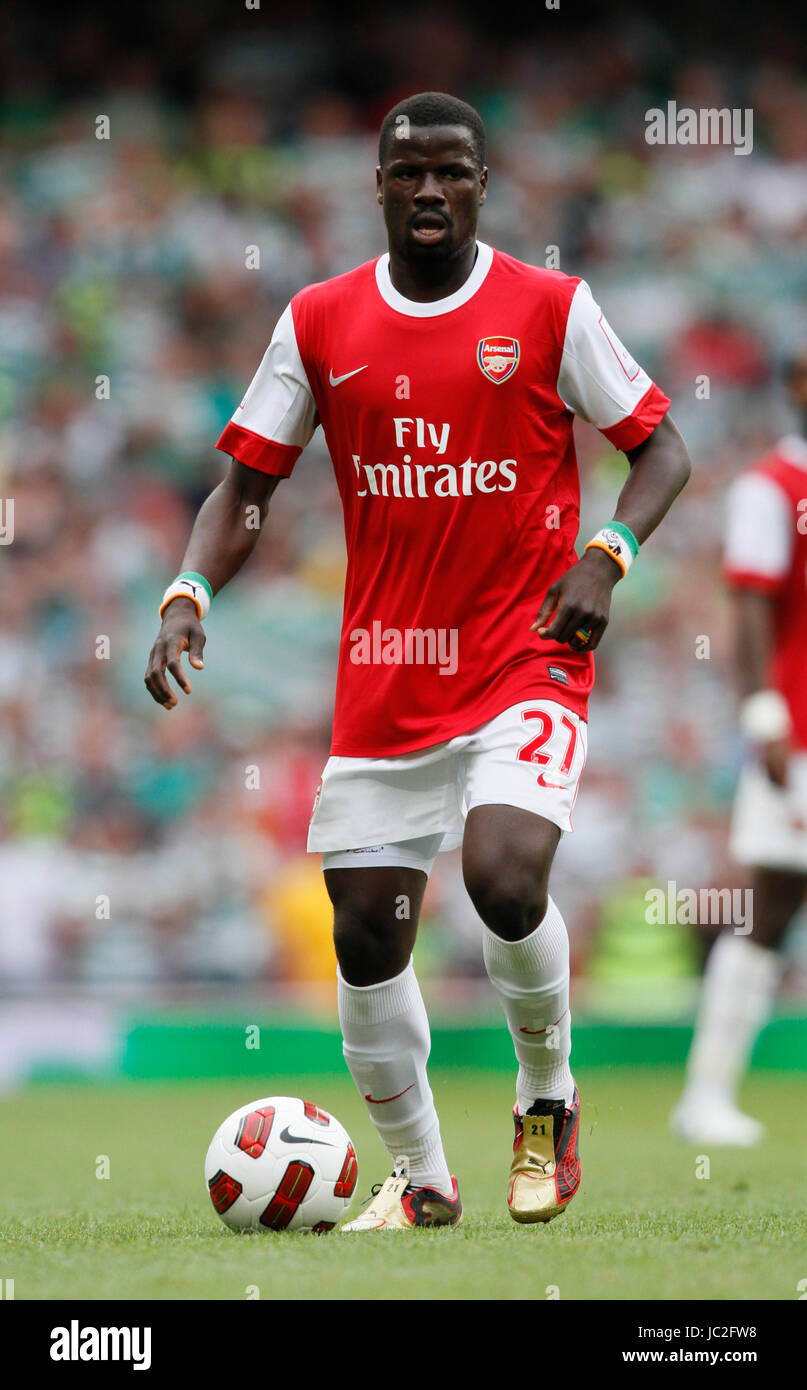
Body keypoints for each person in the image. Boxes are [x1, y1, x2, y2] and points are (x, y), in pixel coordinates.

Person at [146, 92, 691, 1230]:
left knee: (503, 878)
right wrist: (190, 592)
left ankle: (547, 1100)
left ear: (485, 183)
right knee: (365, 931)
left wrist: (608, 554)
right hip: (389, 672)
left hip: (524, 654)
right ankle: (426, 1179)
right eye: (409, 174)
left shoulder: (549, 308)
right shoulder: (319, 320)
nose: (431, 191)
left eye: (452, 171)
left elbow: (661, 447)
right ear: (380, 187)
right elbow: (245, 488)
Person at [672, 348, 807, 1146]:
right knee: (771, 900)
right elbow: (750, 601)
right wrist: (760, 711)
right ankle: (705, 1093)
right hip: (799, 727)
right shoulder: (774, 484)